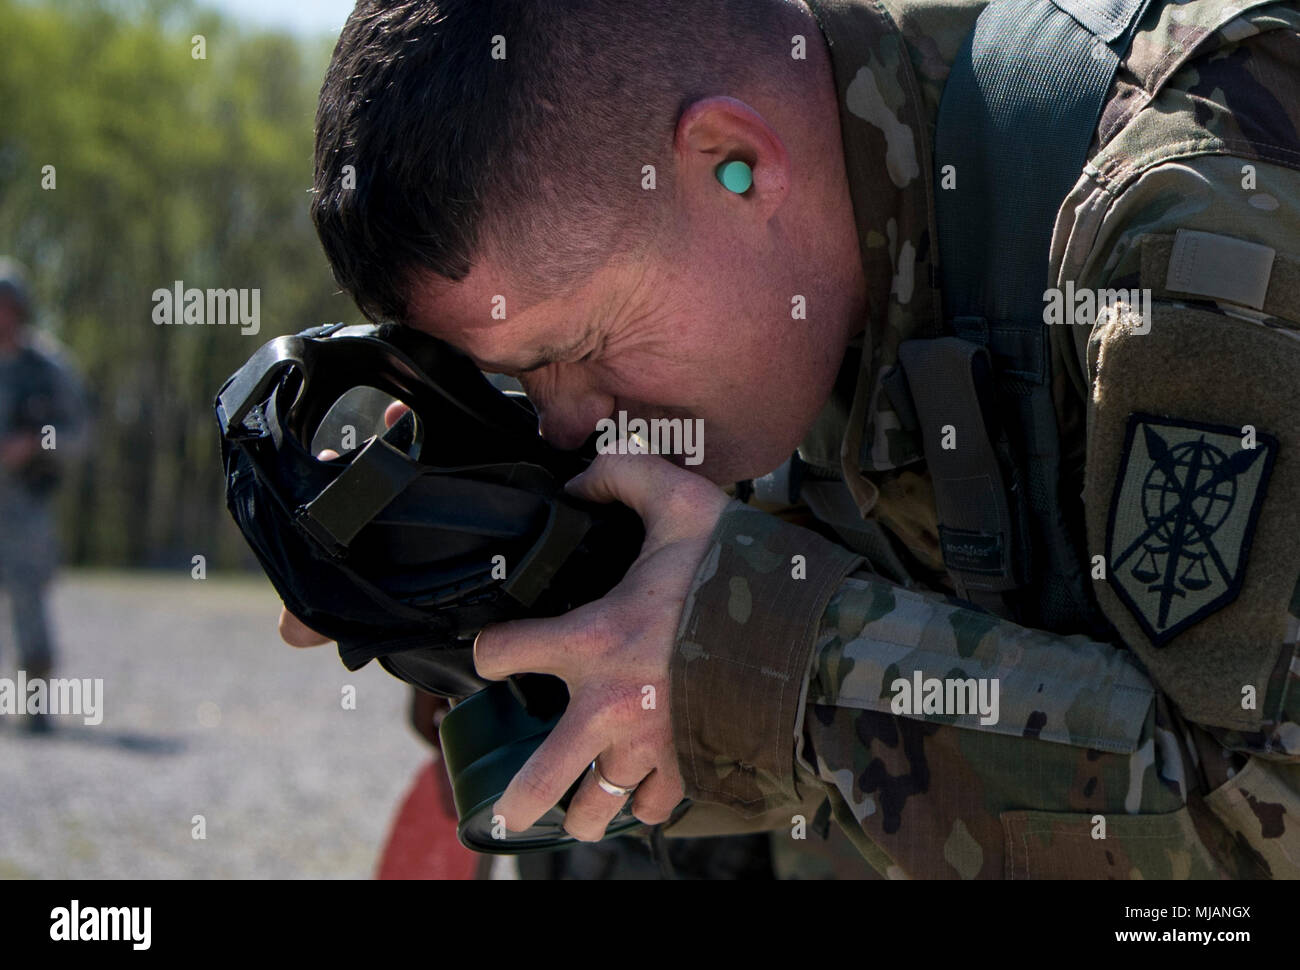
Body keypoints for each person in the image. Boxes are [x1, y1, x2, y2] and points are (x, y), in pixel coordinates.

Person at [285, 0, 1299, 878]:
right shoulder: (786, 295)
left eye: (584, 348)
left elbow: (1244, 836)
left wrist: (753, 656)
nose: (567, 424)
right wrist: (513, 614)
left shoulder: (1183, 207)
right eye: (519, 380)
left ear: (733, 164)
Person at [0, 258, 88, 733]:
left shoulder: (47, 369)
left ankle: (35, 710)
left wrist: (33, 444)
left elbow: (77, 437)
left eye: (6, 306)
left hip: (26, 510)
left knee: (29, 607)